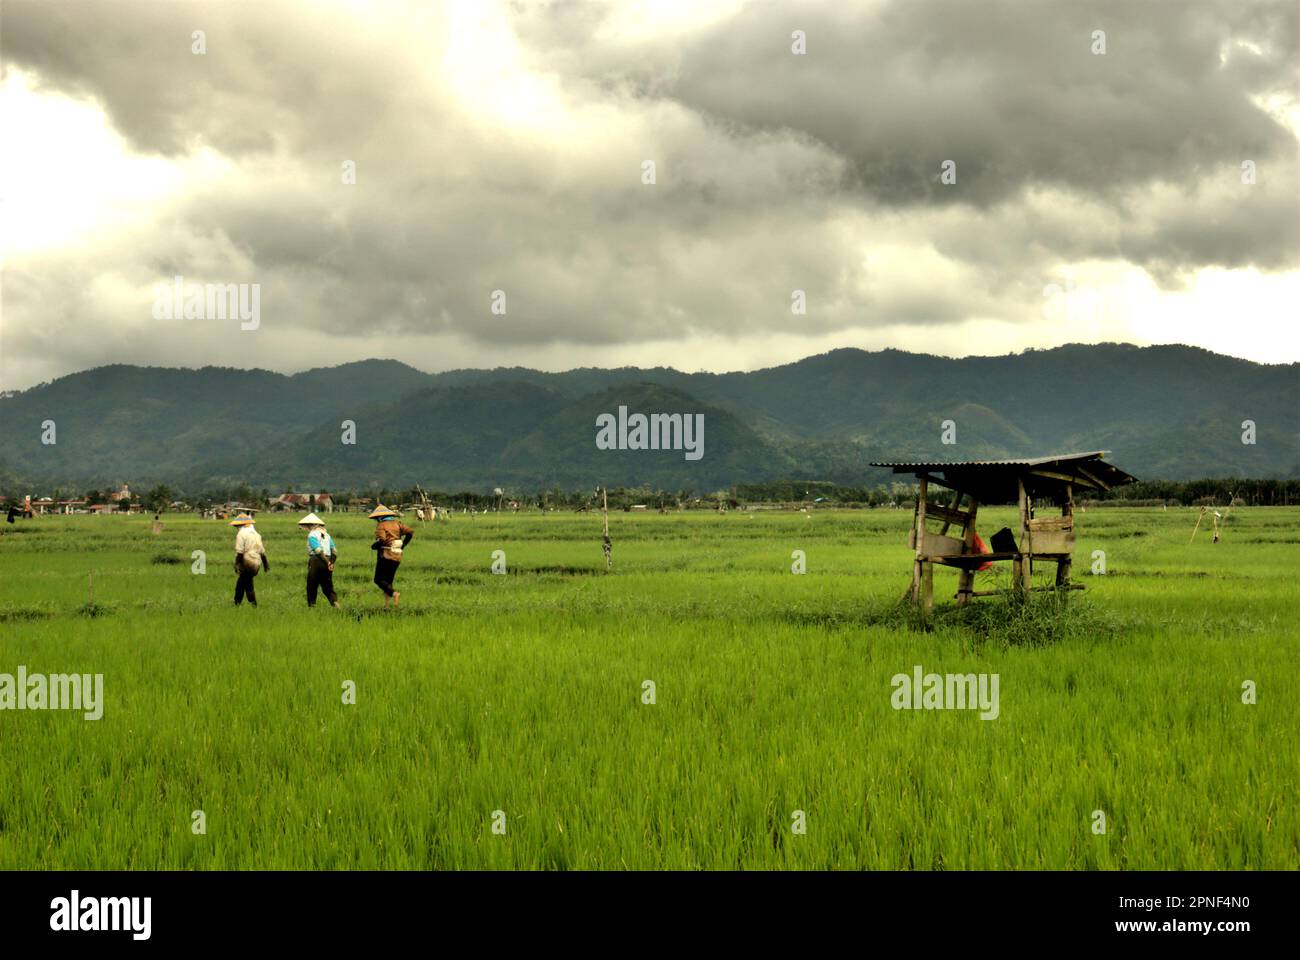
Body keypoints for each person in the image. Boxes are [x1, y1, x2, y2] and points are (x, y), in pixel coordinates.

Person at [368, 504, 413, 607]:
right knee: (388, 581)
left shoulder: (381, 525)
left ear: (379, 517)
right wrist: (403, 545)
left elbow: (382, 540)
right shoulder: (398, 523)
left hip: (385, 555)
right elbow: (410, 532)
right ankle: (387, 605)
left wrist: (374, 546)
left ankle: (394, 594)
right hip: (397, 555)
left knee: (378, 579)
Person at [299, 512, 340, 609]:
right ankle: (336, 606)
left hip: (317, 561)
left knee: (311, 586)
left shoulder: (312, 535)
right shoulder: (327, 535)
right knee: (328, 587)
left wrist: (327, 563)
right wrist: (331, 563)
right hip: (328, 559)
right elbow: (334, 551)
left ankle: (311, 608)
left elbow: (318, 551)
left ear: (312, 525)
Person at [231, 514, 269, 606]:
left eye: (237, 526)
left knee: (243, 585)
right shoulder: (256, 534)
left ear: (241, 525)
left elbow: (240, 552)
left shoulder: (241, 534)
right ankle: (247, 604)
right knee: (245, 583)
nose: (236, 528)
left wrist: (236, 565)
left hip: (247, 561)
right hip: (256, 563)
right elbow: (262, 552)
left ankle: (245, 604)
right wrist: (265, 564)